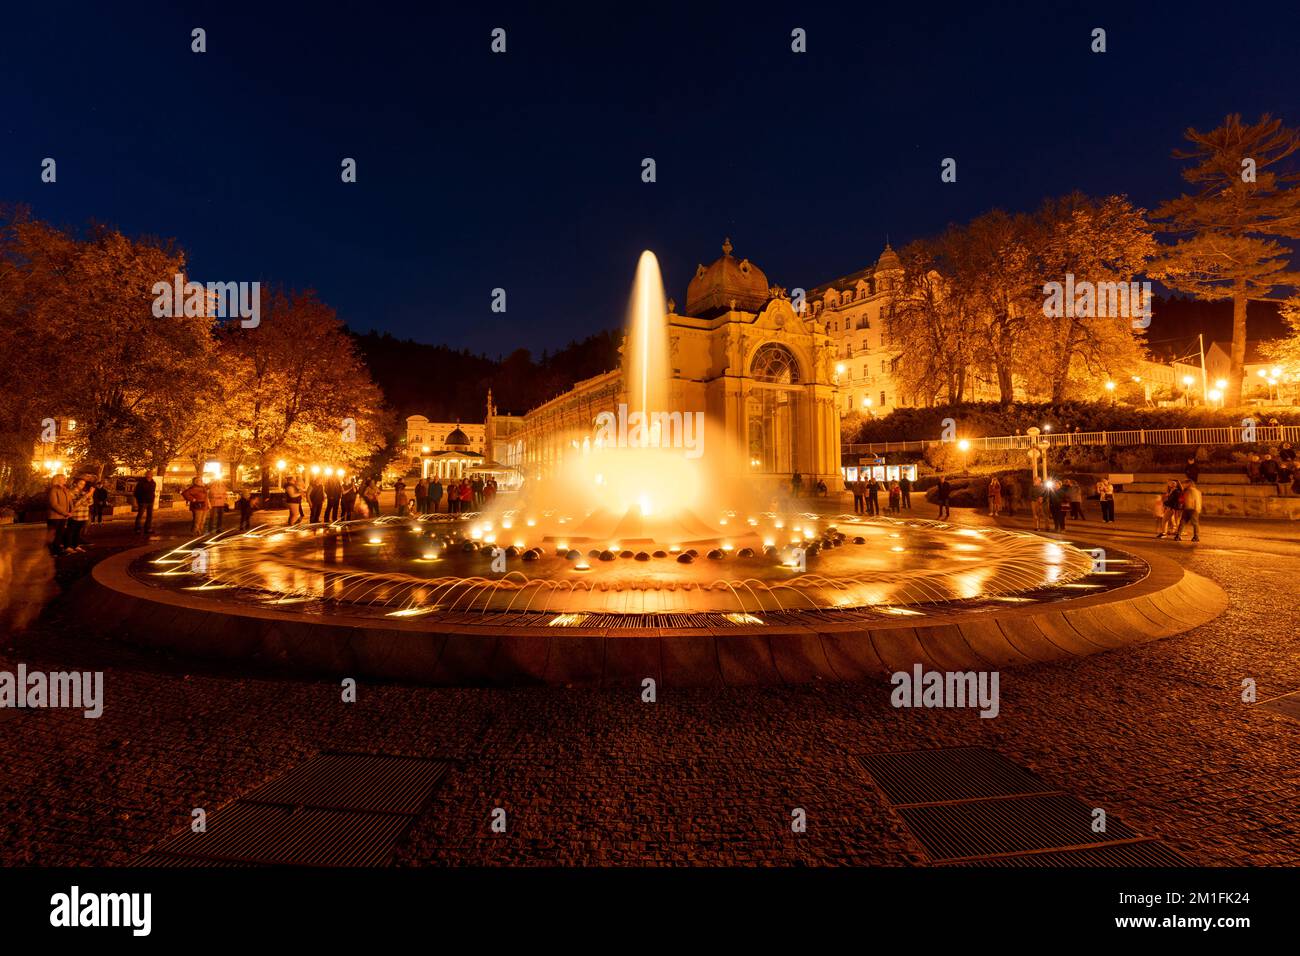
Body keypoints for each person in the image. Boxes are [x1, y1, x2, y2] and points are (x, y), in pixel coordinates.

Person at [63, 477, 93, 552]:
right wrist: (88, 495)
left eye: (84, 484)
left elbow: (91, 502)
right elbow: (75, 504)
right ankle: (68, 546)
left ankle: (76, 545)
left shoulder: (83, 492)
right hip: (75, 515)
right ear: (75, 484)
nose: (82, 485)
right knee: (71, 531)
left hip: (83, 515)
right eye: (80, 483)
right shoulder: (71, 492)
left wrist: (84, 499)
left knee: (77, 531)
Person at [133, 470, 156, 534]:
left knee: (149, 515)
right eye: (148, 474)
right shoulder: (141, 483)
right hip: (142, 501)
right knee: (140, 515)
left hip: (150, 501)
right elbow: (137, 492)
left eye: (150, 474)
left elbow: (153, 492)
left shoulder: (153, 483)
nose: (149, 475)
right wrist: (138, 500)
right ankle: (137, 528)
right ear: (146, 475)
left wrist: (153, 498)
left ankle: (148, 528)